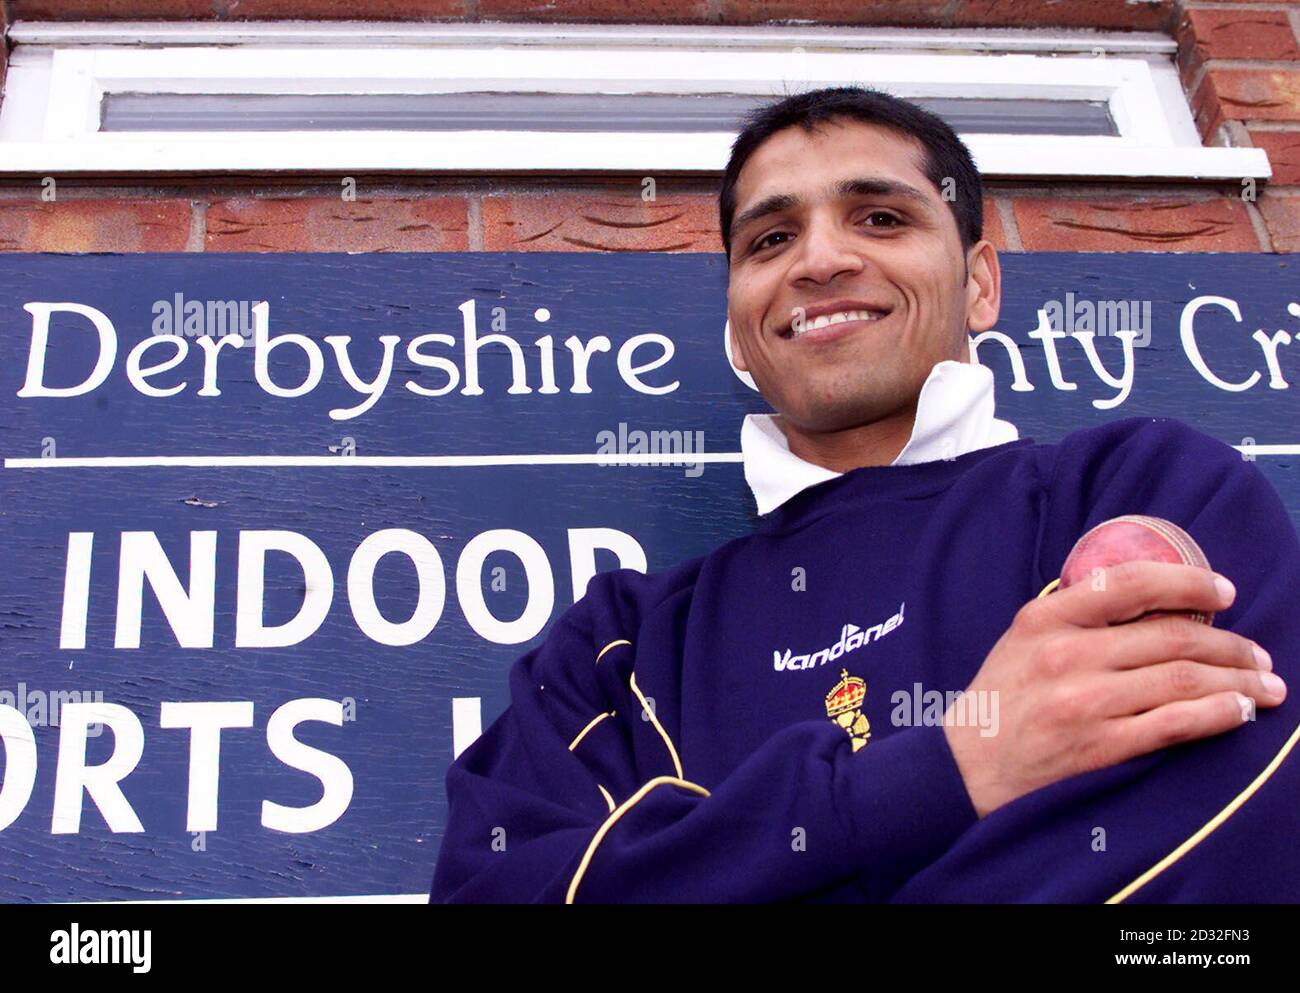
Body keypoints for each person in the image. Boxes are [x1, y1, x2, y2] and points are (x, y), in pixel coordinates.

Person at [430, 86, 1299, 903]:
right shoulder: (619, 647)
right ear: (739, 326)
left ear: (982, 283)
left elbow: (1214, 893)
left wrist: (730, 861)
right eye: (770, 240)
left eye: (881, 218)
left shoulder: (1142, 488)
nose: (820, 260)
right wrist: (953, 768)